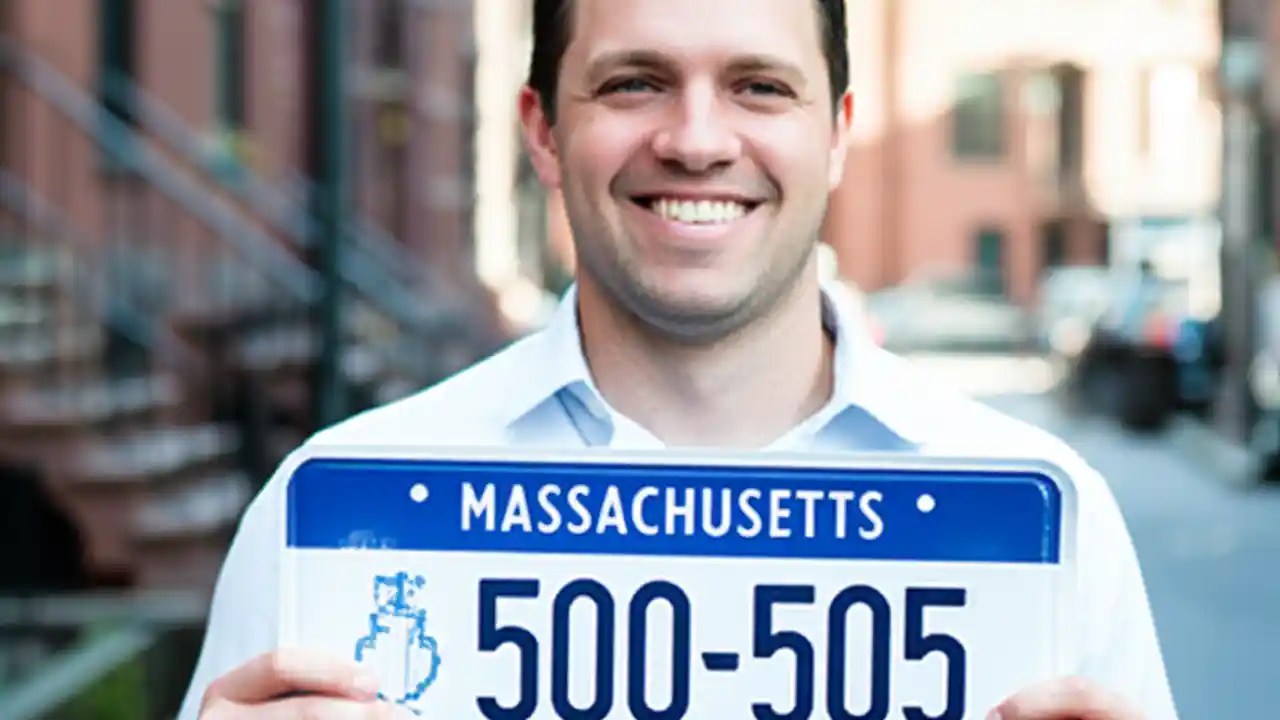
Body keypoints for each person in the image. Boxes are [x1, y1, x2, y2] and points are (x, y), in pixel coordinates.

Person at [180, 0, 1177, 717]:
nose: (696, 141)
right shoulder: (334, 508)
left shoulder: (1050, 521)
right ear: (542, 131)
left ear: (832, 135)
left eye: (757, 86)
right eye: (634, 83)